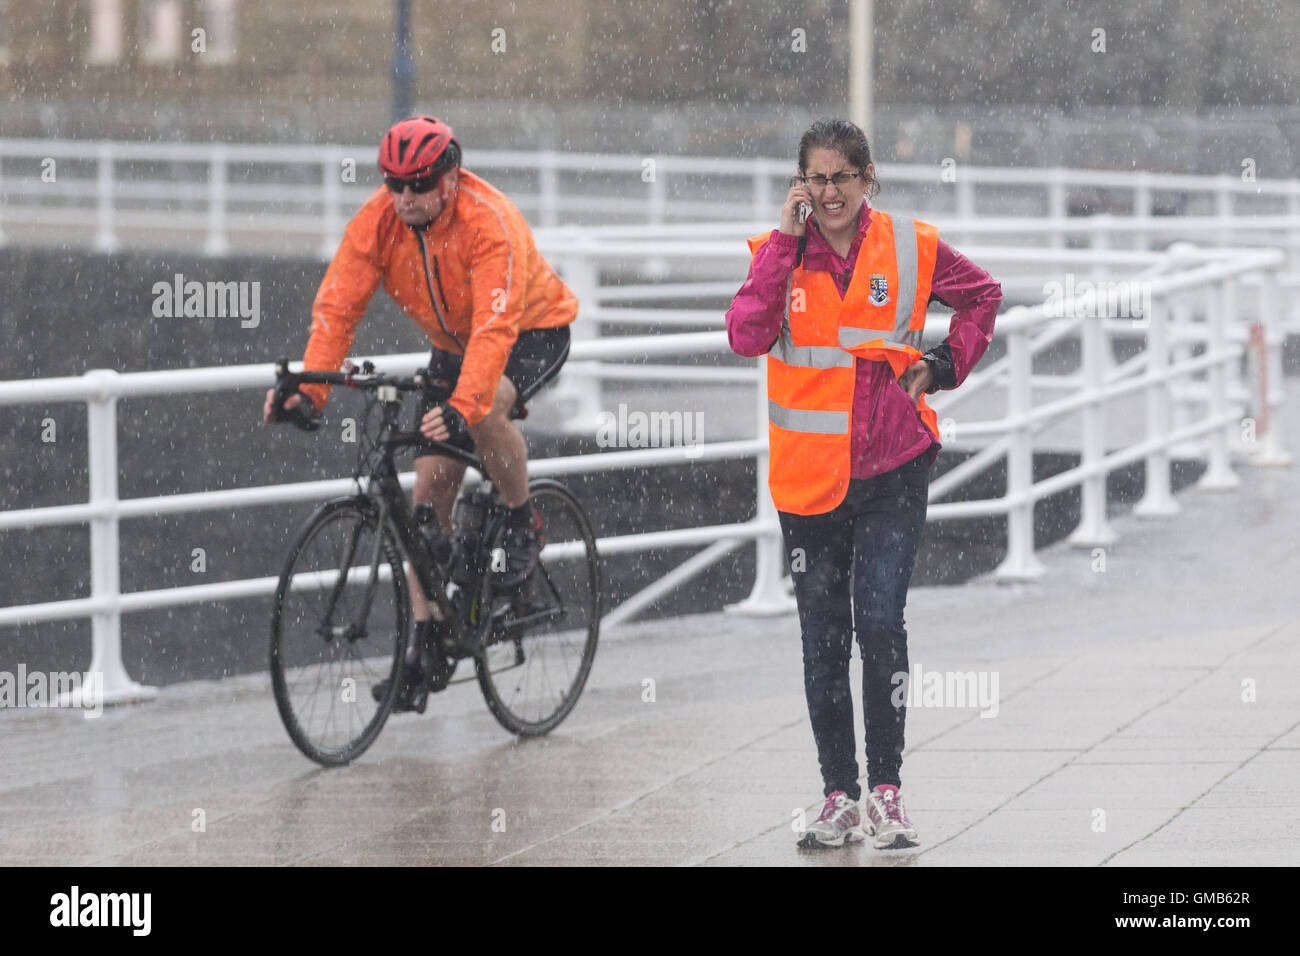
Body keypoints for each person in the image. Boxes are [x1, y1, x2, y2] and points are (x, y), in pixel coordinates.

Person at [725, 118, 1001, 850]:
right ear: (800, 185)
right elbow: (746, 334)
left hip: (893, 471)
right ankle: (837, 796)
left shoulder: (911, 246)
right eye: (815, 179)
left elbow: (984, 297)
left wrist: (942, 367)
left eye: (842, 177)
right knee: (823, 640)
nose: (829, 192)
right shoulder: (777, 255)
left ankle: (886, 792)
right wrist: (783, 243)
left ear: (867, 178)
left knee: (879, 625)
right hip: (808, 484)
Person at [263, 115, 578, 713]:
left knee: (484, 413)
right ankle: (425, 641)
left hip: (530, 330)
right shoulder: (380, 221)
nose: (405, 197)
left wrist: (463, 406)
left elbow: (494, 329)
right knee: (427, 498)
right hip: (457, 344)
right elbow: (337, 308)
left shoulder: (489, 223)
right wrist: (310, 391)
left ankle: (521, 517)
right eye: (394, 184)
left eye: (419, 183)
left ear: (450, 176)